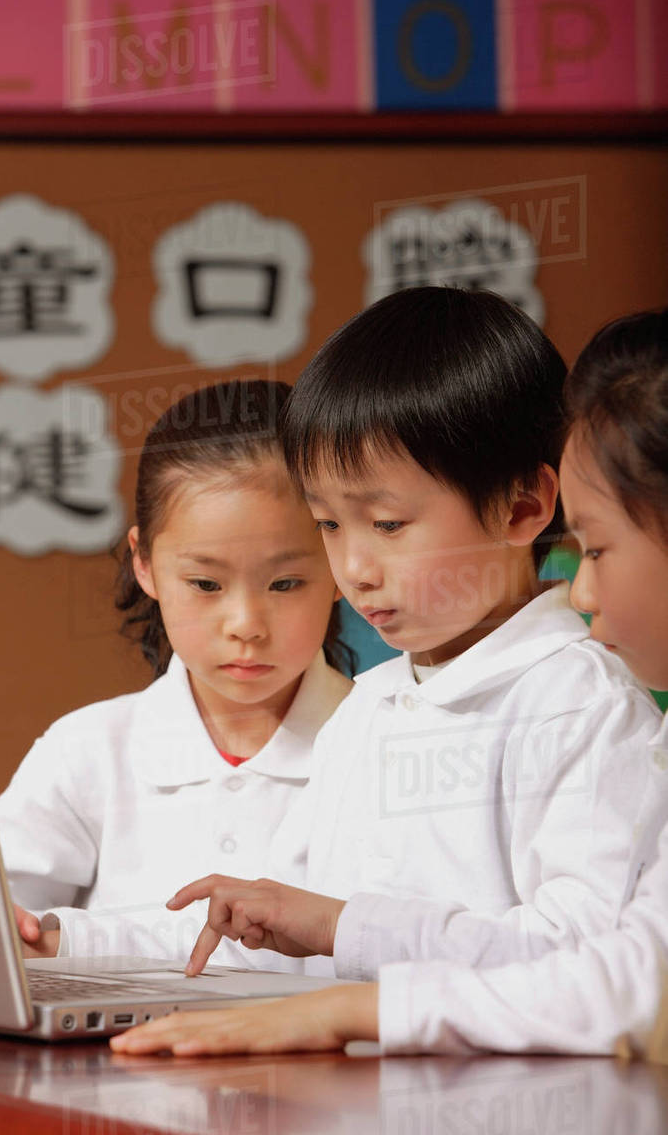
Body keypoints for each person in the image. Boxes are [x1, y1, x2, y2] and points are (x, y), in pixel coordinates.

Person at [109, 300, 668, 1058]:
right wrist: (61, 940)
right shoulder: (369, 704)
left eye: (388, 525)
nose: (354, 569)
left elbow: (584, 968)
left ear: (522, 507)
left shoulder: (583, 705)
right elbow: (269, 924)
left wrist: (346, 940)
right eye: (329, 526)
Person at [0, 379, 352, 964]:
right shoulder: (89, 749)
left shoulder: (381, 745)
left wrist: (74, 942)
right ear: (145, 563)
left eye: (285, 583)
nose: (246, 624)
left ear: (343, 561)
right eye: (206, 583)